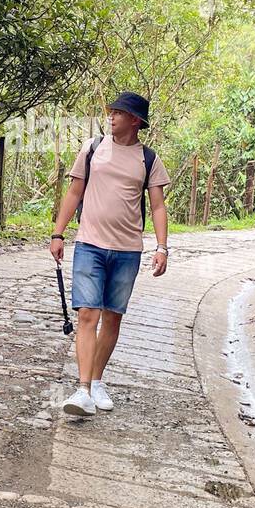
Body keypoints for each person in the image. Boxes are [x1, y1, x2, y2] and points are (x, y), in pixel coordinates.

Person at [50, 92, 170, 417]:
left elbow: (158, 206)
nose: (112, 117)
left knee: (112, 317)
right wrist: (58, 234)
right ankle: (83, 389)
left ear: (135, 120)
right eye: (111, 111)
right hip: (89, 244)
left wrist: (162, 247)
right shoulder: (93, 148)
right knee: (87, 315)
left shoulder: (148, 159)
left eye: (119, 113)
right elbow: (74, 191)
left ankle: (97, 380)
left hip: (128, 250)